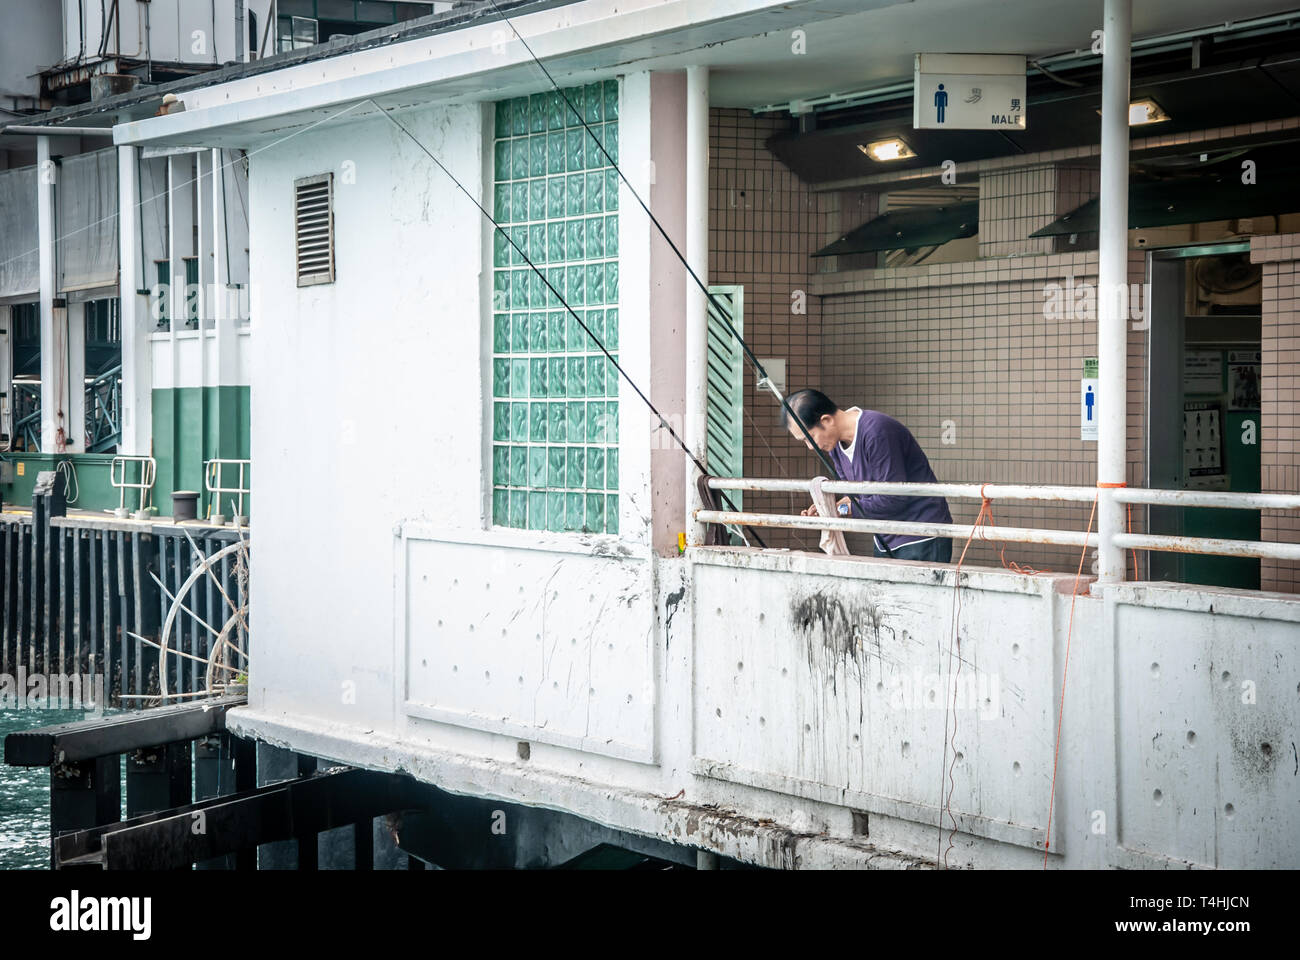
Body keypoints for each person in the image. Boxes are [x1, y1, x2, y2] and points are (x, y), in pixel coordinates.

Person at [782, 388, 953, 562]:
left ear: (826, 420)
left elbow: (893, 499)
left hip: (921, 534)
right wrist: (826, 507)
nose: (811, 447)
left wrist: (840, 510)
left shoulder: (877, 432)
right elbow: (856, 495)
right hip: (885, 537)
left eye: (809, 437)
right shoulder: (836, 445)